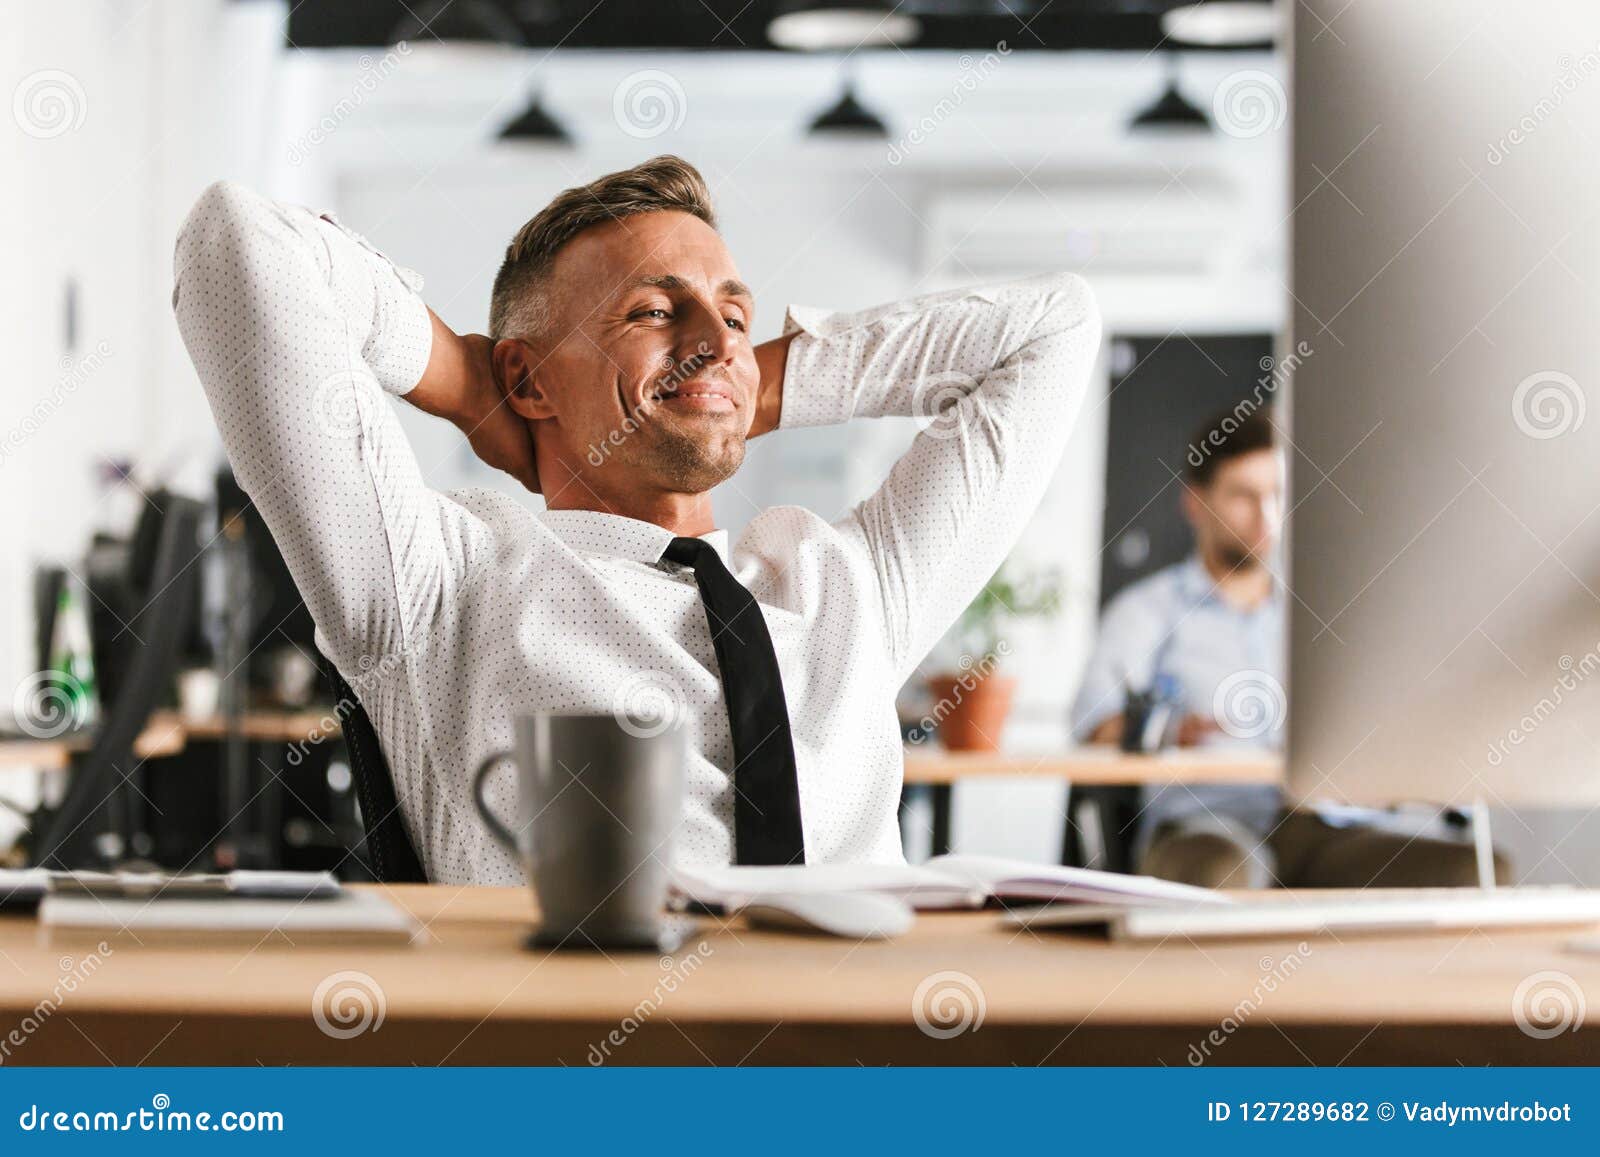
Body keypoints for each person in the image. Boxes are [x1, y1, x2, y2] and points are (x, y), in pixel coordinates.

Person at [173, 156, 1101, 885]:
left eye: (735, 312)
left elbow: (1055, 328)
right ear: (531, 378)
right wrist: (467, 385)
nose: (715, 332)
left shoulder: (846, 583)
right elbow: (236, 245)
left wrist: (738, 378)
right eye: (654, 310)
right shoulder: (438, 582)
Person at [1071, 406, 1506, 889]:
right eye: (1243, 496)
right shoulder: (1146, 611)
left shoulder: (1325, 612)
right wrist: (1176, 729)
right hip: (1205, 825)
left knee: (1474, 871)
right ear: (1195, 503)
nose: (1265, 516)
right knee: (1219, 872)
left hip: (1320, 825)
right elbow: (1095, 726)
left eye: (1277, 495)